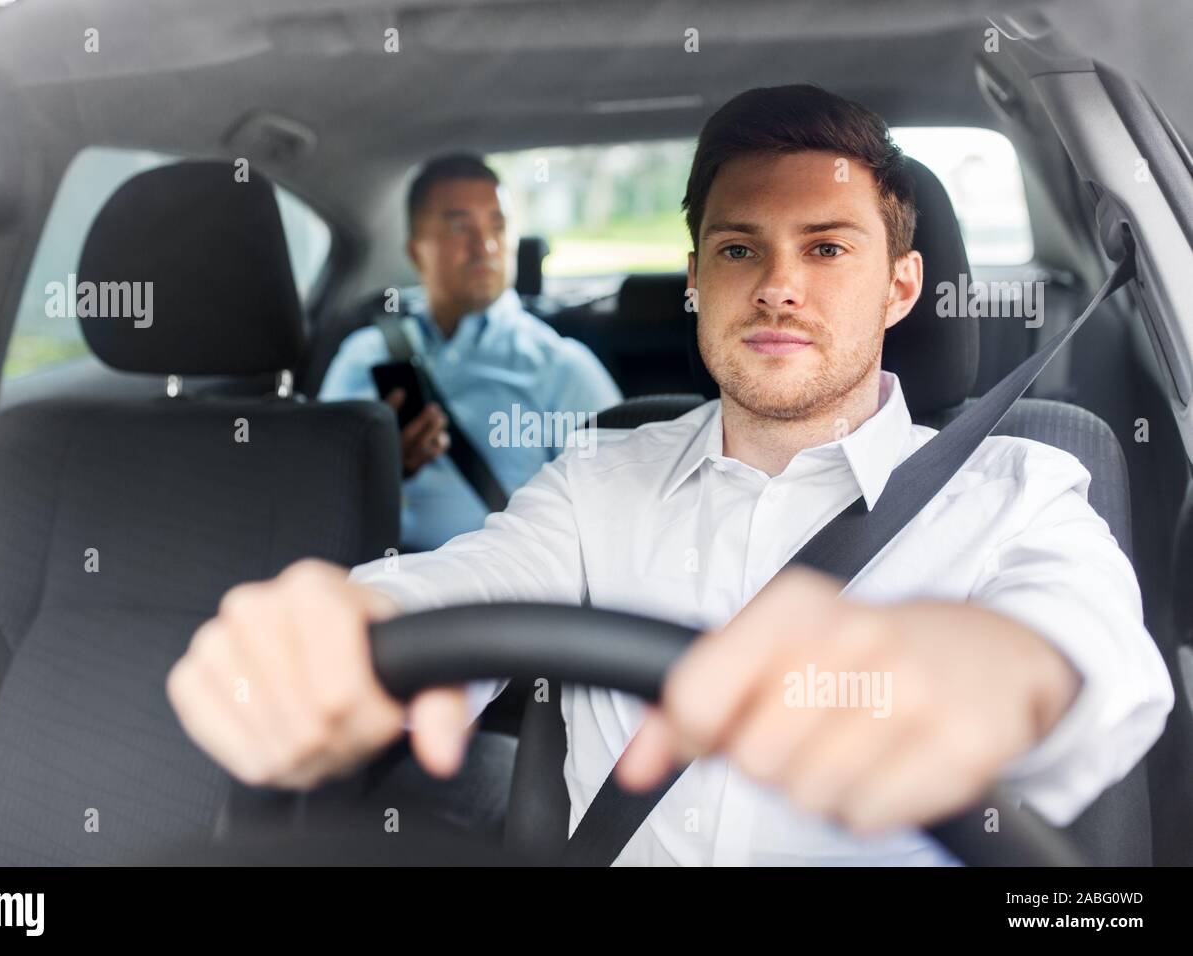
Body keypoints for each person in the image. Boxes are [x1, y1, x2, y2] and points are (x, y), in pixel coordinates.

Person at [168, 85, 1174, 865]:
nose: (778, 282)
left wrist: (977, 671)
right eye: (740, 247)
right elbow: (463, 581)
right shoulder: (597, 481)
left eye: (826, 247)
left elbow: (1088, 651)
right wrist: (333, 635)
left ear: (900, 286)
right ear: (696, 279)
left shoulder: (1021, 486)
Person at [320, 153, 622, 552]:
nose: (487, 245)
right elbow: (315, 496)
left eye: (498, 225)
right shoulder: (363, 355)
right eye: (461, 227)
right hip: (368, 583)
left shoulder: (562, 368)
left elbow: (618, 517)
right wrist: (383, 472)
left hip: (503, 598)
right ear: (416, 251)